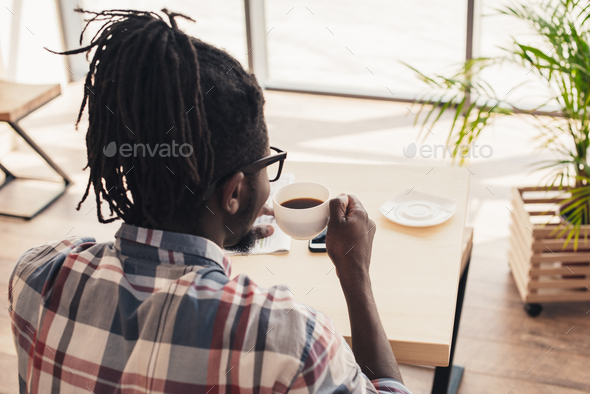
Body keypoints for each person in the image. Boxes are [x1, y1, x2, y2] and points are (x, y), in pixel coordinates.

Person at [8, 9, 411, 394]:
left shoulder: (36, 277)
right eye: (266, 164)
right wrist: (355, 273)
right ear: (233, 193)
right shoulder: (289, 343)